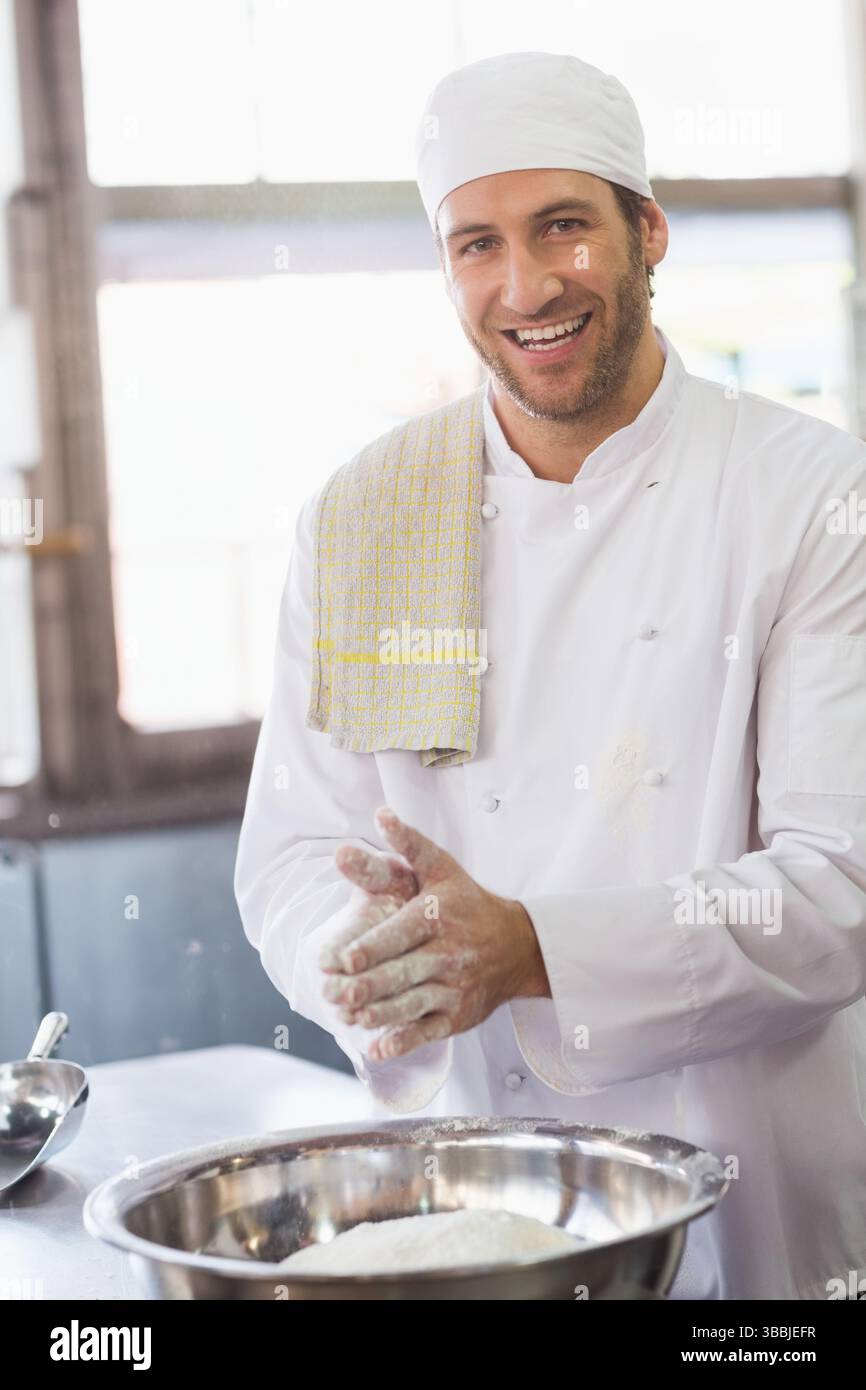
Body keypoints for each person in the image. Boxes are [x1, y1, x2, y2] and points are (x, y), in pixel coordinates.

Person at [235, 52, 866, 1300]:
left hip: (750, 1193)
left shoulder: (808, 496)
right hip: (481, 1197)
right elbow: (294, 851)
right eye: (475, 243)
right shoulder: (361, 515)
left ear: (646, 231)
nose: (522, 285)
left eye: (562, 227)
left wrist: (528, 951)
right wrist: (367, 958)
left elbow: (837, 885)